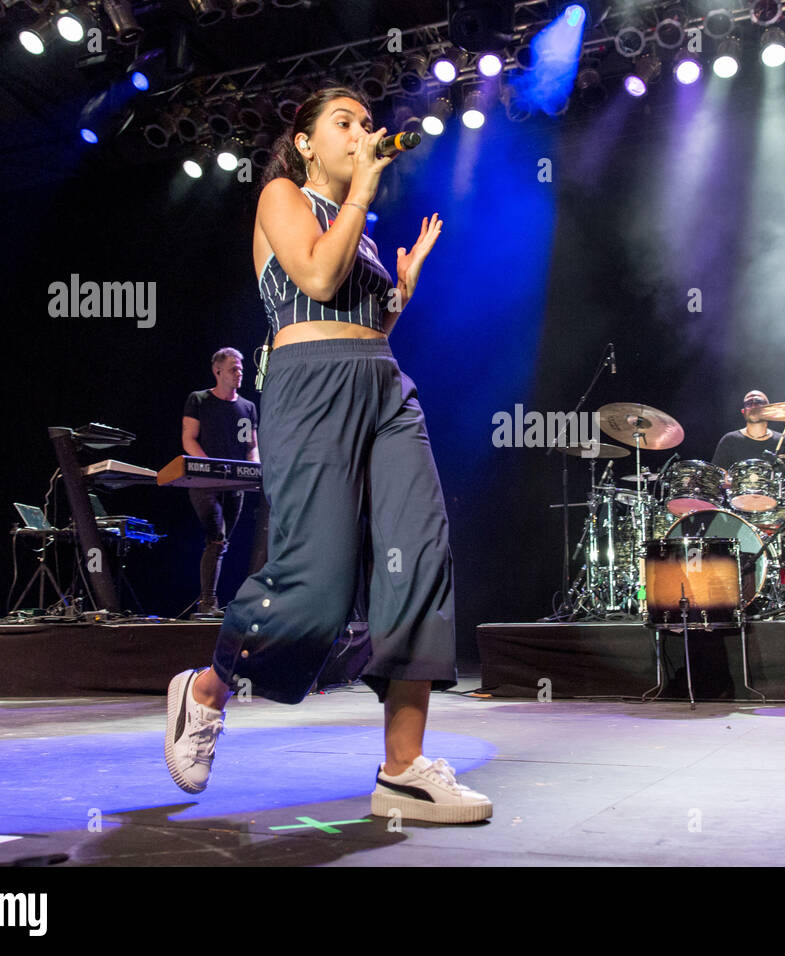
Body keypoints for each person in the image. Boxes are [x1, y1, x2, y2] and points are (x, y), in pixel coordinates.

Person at [164, 86, 491, 823]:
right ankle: (208, 689)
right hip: (311, 391)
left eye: (367, 123)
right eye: (344, 123)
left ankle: (403, 769)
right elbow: (314, 278)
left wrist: (400, 289)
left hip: (384, 389)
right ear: (308, 143)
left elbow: (366, 323)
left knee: (420, 556)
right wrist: (365, 191)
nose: (362, 132)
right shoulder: (284, 195)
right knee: (316, 587)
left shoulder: (365, 234)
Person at [181, 348, 260, 617]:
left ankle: (210, 602)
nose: (239, 374)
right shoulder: (199, 400)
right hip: (206, 483)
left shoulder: (248, 406)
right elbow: (189, 438)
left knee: (221, 543)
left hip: (235, 485)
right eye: (233, 369)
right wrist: (209, 468)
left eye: (241, 369)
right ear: (218, 372)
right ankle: (207, 602)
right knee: (217, 538)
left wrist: (252, 471)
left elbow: (251, 446)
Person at [711, 389, 785, 469]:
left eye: (759, 402)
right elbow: (719, 476)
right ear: (743, 412)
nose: (753, 406)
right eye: (748, 403)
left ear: (768, 410)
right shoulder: (729, 440)